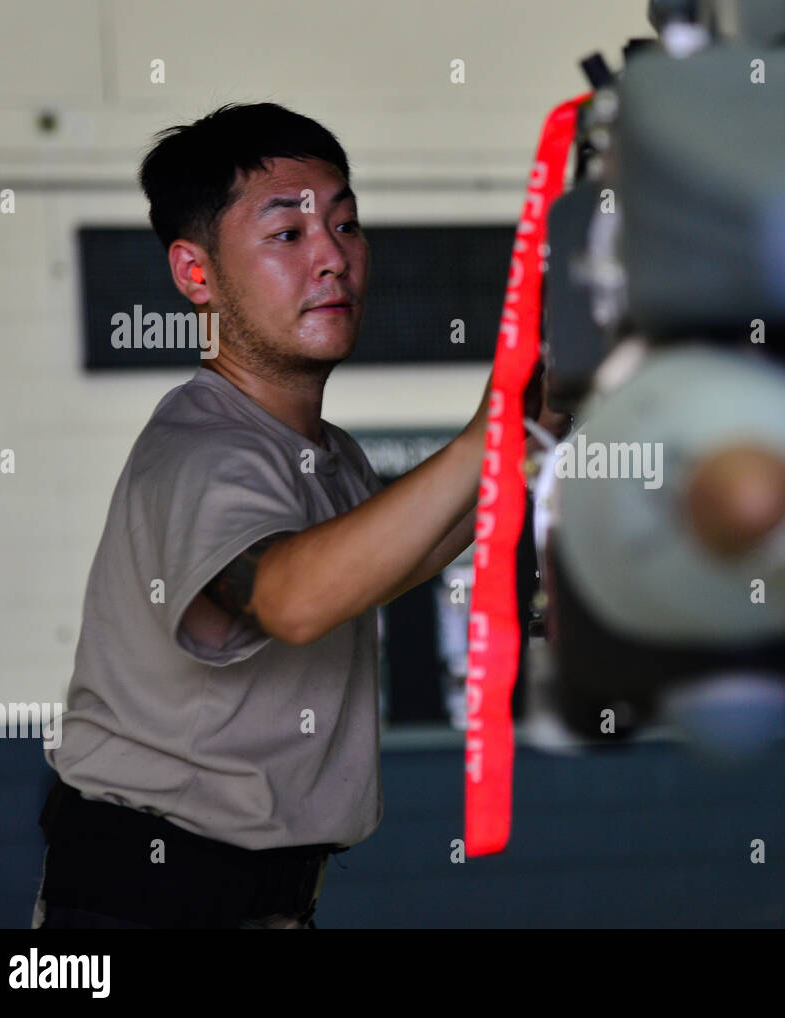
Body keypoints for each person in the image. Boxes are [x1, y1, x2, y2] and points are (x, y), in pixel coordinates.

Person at [31, 102, 540, 928]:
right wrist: (491, 436)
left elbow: (391, 563)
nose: (333, 259)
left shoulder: (327, 454)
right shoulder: (203, 450)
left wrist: (520, 435)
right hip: (143, 903)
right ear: (197, 276)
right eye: (288, 236)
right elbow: (292, 599)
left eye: (346, 225)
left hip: (267, 903)